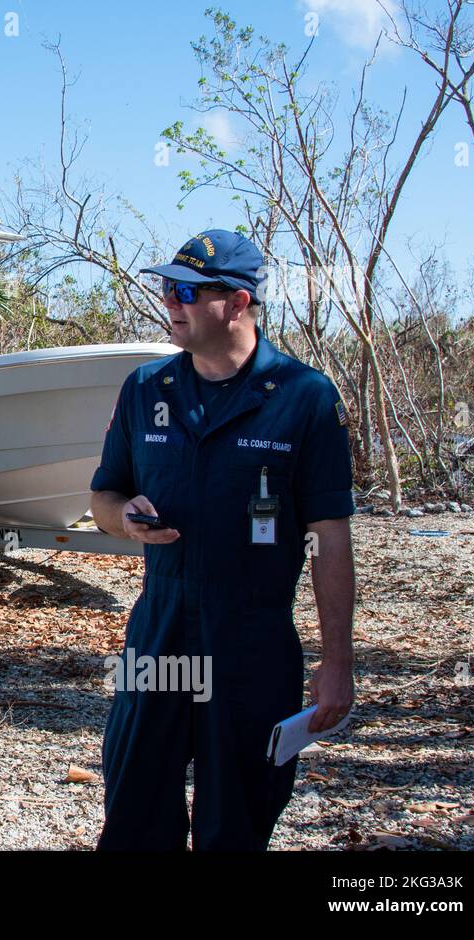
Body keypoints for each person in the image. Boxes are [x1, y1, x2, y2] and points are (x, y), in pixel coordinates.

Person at [88, 229, 355, 850]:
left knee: (235, 824)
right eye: (165, 288)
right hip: (159, 637)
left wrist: (337, 663)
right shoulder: (146, 389)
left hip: (252, 643)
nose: (168, 302)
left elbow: (330, 540)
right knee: (133, 815)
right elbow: (102, 498)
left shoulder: (303, 399)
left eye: (184, 290)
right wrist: (123, 516)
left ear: (236, 303)